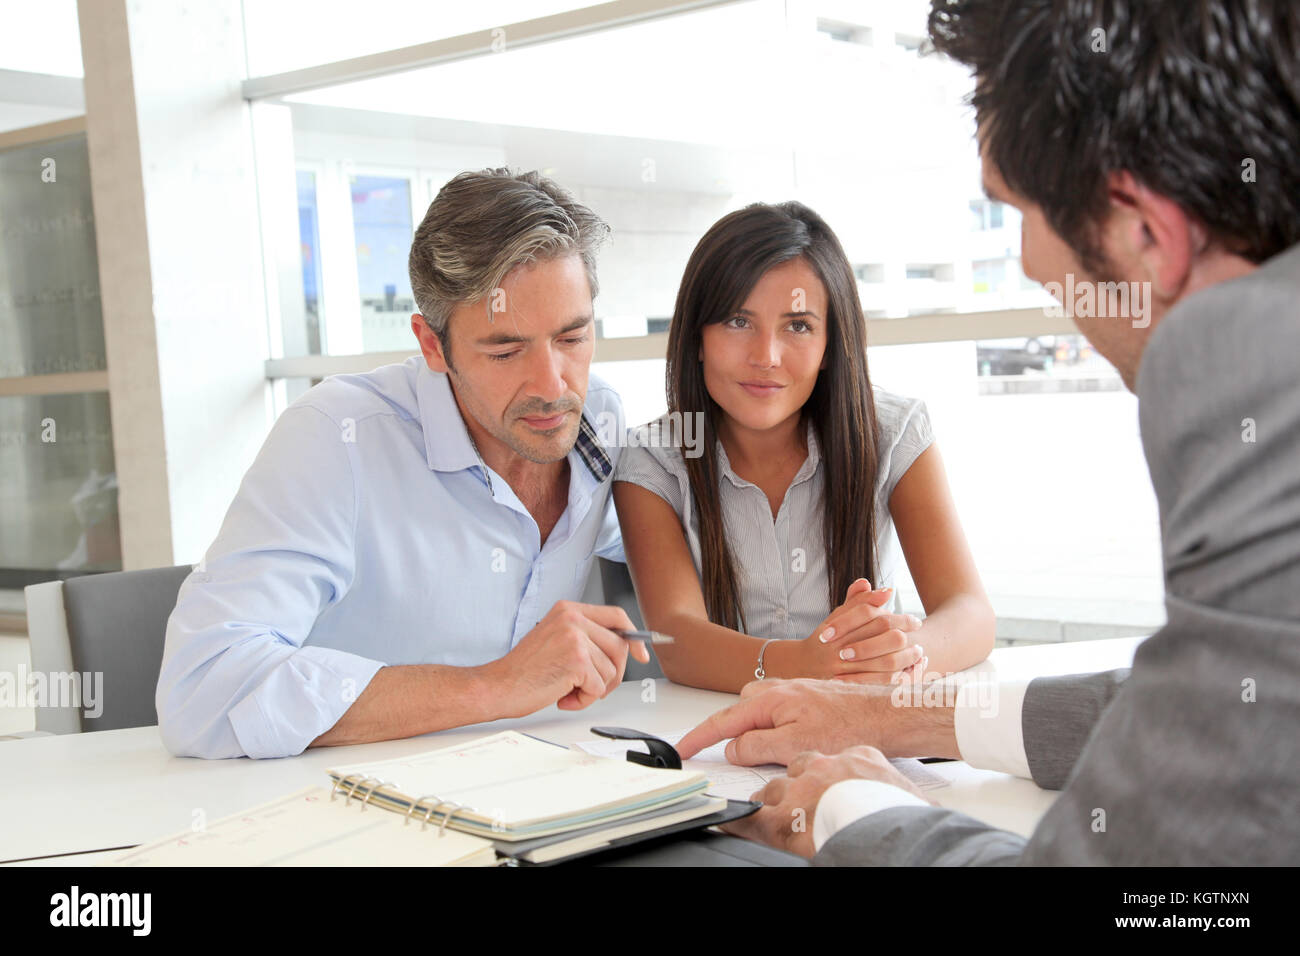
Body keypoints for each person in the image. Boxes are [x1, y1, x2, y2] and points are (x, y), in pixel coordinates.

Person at [676, 0, 1300, 864]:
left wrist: (852, 807)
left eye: (1013, 207)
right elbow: (1229, 707)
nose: (1029, 262)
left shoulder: (1256, 386)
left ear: (1145, 230)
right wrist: (894, 714)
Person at [156, 168, 647, 759]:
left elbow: (680, 552)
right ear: (432, 345)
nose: (552, 384)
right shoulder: (336, 439)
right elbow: (200, 692)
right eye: (505, 349)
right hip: (352, 812)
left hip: (540, 786)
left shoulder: (596, 419)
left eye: (572, 338)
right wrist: (497, 686)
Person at [613, 202, 995, 694]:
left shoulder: (893, 432)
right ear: (697, 338)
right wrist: (810, 663)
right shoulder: (651, 458)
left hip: (864, 724)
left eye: (798, 325)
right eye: (736, 321)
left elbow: (971, 614)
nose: (766, 357)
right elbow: (677, 640)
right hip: (720, 728)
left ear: (830, 343)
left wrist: (892, 656)